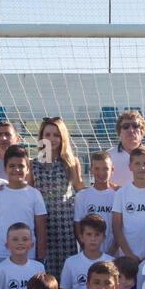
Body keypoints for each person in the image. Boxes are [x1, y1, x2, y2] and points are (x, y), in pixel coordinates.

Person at [30, 116, 85, 279]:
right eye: (47, 134)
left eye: (56, 135)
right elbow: (26, 191)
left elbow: (80, 190)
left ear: (62, 137)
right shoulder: (32, 164)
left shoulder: (71, 162)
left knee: (66, 276)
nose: (52, 139)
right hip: (42, 226)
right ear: (41, 137)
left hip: (65, 228)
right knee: (44, 277)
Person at [0, 145, 48, 267]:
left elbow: (41, 229)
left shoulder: (34, 194)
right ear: (5, 168)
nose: (16, 170)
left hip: (27, 255)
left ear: (28, 169)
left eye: (21, 166)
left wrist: (40, 257)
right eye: (12, 166)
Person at [59, 213, 114, 289]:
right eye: (89, 234)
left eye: (97, 235)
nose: (93, 239)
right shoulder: (70, 263)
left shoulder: (111, 262)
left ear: (104, 237)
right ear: (81, 237)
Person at [75, 152, 118, 251]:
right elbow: (77, 226)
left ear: (112, 170)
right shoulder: (81, 196)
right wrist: (87, 250)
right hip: (89, 254)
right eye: (97, 168)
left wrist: (111, 252)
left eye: (105, 168)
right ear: (91, 170)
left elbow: (120, 228)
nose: (101, 172)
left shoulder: (118, 196)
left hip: (112, 253)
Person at [108, 109, 145, 187]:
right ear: (119, 132)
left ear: (142, 131)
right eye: (126, 126)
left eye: (135, 126)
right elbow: (98, 183)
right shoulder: (108, 156)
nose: (131, 130)